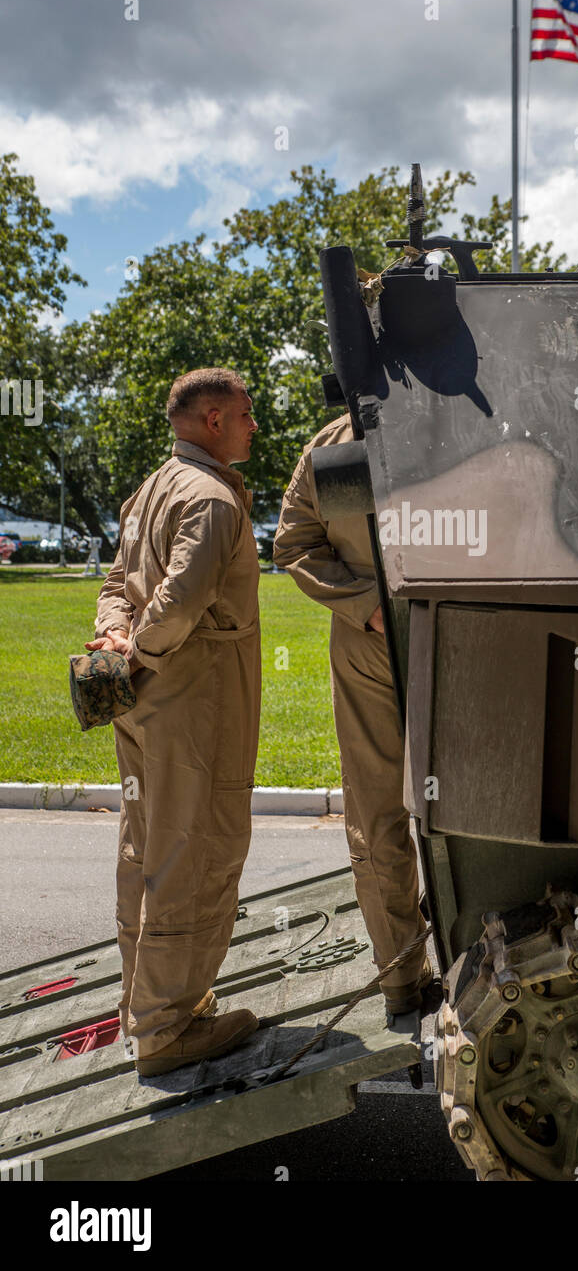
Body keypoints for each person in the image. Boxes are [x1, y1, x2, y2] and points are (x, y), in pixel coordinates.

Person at [88, 368, 262, 1076]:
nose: (255, 426)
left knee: (146, 847)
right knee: (197, 852)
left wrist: (116, 641)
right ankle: (166, 1030)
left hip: (146, 699)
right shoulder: (210, 497)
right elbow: (182, 601)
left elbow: (115, 586)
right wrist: (140, 651)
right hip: (196, 696)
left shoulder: (150, 488)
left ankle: (151, 1005)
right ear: (214, 420)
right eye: (247, 414)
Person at [273, 411, 430, 1015]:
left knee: (376, 811)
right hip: (448, 626)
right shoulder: (495, 406)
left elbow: (293, 542)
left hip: (375, 633)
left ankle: (402, 983)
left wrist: (365, 605)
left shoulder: (336, 441)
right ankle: (473, 968)